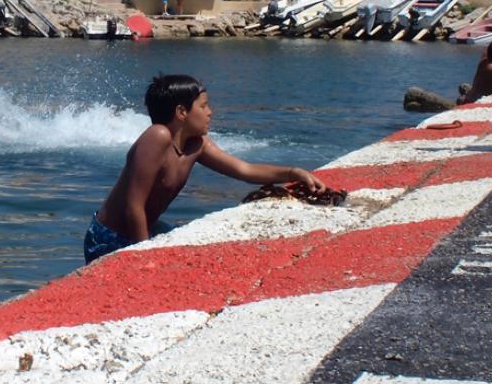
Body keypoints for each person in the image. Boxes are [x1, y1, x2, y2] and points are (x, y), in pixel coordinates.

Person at [84, 74, 327, 263]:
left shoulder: (197, 145)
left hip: (146, 229)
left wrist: (293, 173)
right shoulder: (157, 137)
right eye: (203, 106)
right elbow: (133, 205)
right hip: (110, 237)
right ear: (181, 112)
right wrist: (144, 254)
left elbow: (244, 170)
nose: (210, 112)